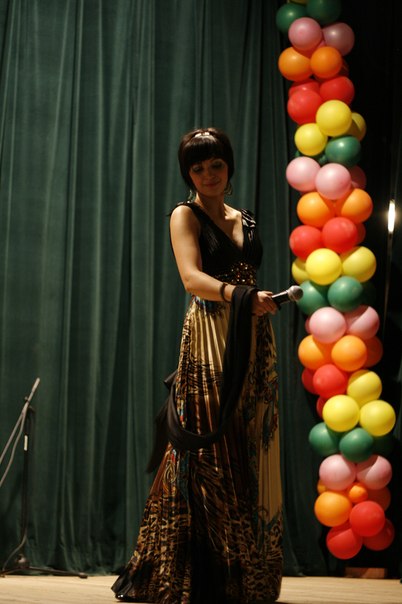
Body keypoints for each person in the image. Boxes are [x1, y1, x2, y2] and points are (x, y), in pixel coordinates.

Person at [111, 127, 283, 603]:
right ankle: (194, 573)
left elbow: (246, 275)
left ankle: (247, 574)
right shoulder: (184, 215)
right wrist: (242, 295)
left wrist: (259, 301)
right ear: (188, 174)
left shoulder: (245, 219)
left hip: (252, 335)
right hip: (210, 336)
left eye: (216, 165)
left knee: (252, 441)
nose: (208, 174)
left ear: (229, 166)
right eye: (198, 168)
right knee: (207, 447)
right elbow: (191, 278)